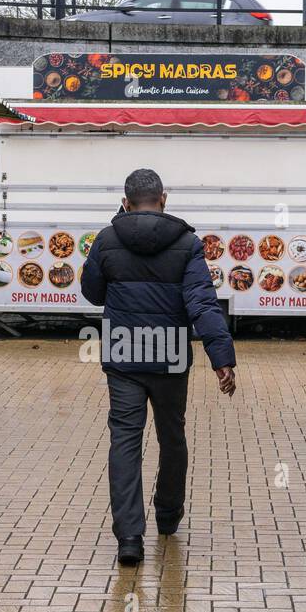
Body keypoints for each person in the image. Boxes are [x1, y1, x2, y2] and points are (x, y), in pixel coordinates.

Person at [80, 168, 237, 566]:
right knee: (172, 437)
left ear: (125, 201)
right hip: (169, 357)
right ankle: (168, 515)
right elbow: (202, 302)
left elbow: (92, 293)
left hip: (124, 356)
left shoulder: (106, 239)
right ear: (163, 199)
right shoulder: (187, 243)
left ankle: (130, 538)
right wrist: (222, 360)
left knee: (125, 442)